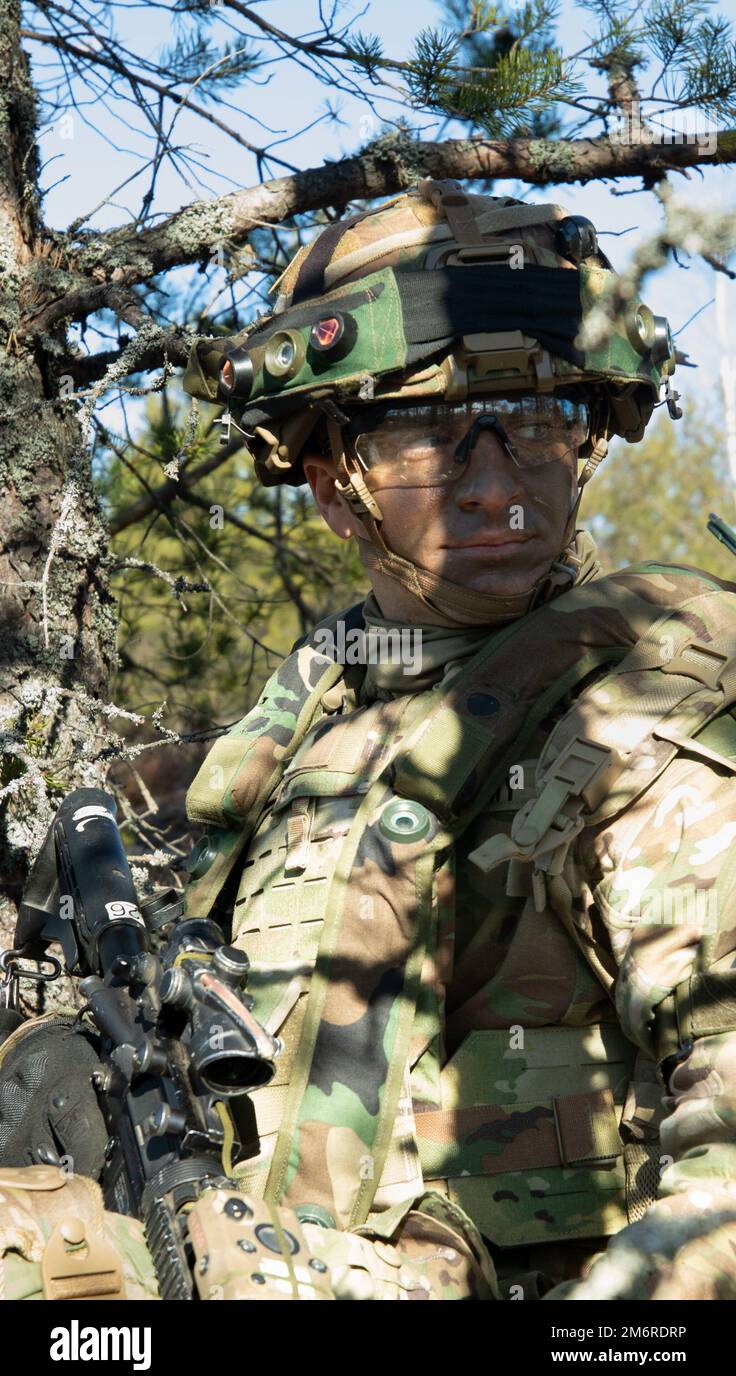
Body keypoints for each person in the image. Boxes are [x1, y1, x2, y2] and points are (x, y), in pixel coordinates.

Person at [3, 180, 736, 1300]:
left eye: (540, 423)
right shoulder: (315, 710)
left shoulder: (638, 715)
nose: (498, 491)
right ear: (326, 478)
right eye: (427, 437)